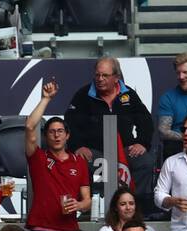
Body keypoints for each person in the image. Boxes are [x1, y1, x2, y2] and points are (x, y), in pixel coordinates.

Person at [64, 57, 156, 216]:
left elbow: (146, 121)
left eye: (105, 75)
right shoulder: (83, 95)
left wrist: (142, 143)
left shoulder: (129, 95)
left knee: (145, 162)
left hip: (125, 150)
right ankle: (90, 210)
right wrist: (78, 146)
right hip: (94, 151)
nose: (100, 79)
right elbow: (70, 124)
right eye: (97, 75)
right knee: (80, 163)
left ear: (116, 77)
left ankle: (135, 206)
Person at [23, 80, 91, 231]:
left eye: (60, 131)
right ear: (45, 136)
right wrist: (46, 99)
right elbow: (30, 126)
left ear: (67, 135)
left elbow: (87, 201)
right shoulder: (38, 157)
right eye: (52, 131)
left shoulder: (79, 162)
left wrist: (78, 205)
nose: (56, 135)